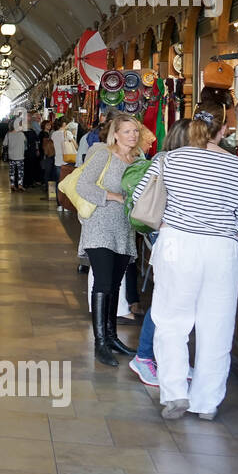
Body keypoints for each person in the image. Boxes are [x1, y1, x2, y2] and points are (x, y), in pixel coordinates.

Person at [134, 108, 238, 420]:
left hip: (177, 243)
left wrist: (166, 224)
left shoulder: (169, 160)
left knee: (171, 321)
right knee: (216, 326)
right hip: (221, 251)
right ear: (224, 129)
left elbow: (140, 198)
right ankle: (206, 402)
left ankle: (174, 391)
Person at [126, 117, 193, 387]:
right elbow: (141, 196)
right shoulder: (166, 160)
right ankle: (144, 355)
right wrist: (162, 223)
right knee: (169, 297)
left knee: (180, 298)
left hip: (180, 238)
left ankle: (170, 358)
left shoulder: (184, 161)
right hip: (169, 238)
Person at [74, 113, 143, 367]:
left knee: (115, 283)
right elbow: (83, 186)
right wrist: (113, 196)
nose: (132, 136)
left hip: (125, 228)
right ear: (115, 133)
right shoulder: (102, 154)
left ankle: (112, 336)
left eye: (135, 131)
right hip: (100, 225)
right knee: (102, 282)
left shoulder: (138, 159)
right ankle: (100, 342)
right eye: (127, 131)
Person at [6, 123, 27, 190]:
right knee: (20, 172)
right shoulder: (22, 134)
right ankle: (20, 185)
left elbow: (4, 143)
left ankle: (12, 185)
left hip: (11, 156)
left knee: (12, 171)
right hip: (20, 156)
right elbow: (25, 143)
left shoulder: (8, 134)